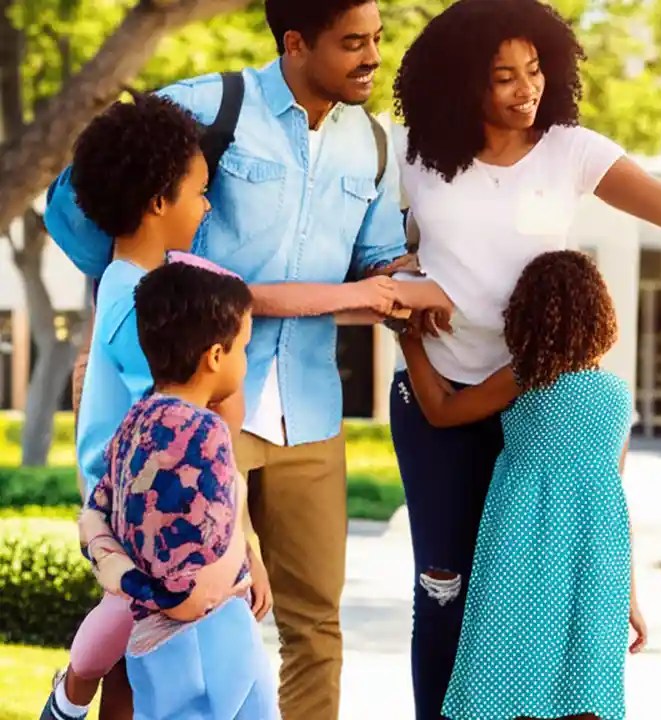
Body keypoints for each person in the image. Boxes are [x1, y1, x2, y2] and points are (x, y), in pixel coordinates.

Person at [390, 0, 661, 716]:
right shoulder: (410, 155)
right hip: (443, 386)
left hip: (537, 393)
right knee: (445, 582)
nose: (528, 89)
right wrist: (397, 274)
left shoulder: (571, 149)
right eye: (503, 77)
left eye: (535, 70)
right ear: (463, 82)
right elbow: (369, 246)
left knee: (521, 587)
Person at [42, 2, 447, 716]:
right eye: (353, 43)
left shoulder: (375, 147)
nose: (372, 58)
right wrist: (136, 295)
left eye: (377, 39)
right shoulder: (207, 106)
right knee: (161, 623)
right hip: (197, 402)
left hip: (308, 408)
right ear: (296, 42)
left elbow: (373, 265)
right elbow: (91, 189)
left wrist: (424, 286)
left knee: (313, 625)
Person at [39, 94, 269, 720]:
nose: (207, 204)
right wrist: (241, 544)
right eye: (199, 191)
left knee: (141, 672)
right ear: (159, 202)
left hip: (138, 515)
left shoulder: (148, 289)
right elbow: (202, 426)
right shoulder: (142, 309)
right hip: (151, 521)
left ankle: (71, 694)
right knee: (151, 678)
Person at [399, 250, 643, 720]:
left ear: (525, 314)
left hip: (522, 551)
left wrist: (411, 342)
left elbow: (442, 411)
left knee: (510, 682)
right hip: (596, 559)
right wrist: (629, 596)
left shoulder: (525, 377)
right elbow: (617, 494)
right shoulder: (616, 396)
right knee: (584, 687)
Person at [80, 262, 278, 719]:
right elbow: (217, 529)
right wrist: (244, 563)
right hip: (209, 627)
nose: (243, 363)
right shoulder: (206, 431)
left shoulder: (135, 422)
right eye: (242, 349)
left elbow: (111, 509)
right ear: (214, 356)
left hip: (149, 634)